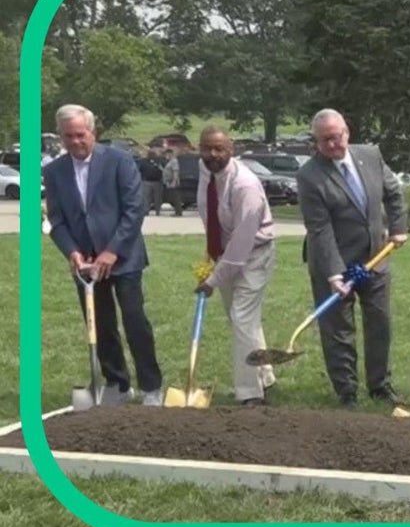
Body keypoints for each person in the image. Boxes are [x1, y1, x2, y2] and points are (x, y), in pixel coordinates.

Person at [43, 104, 165, 406]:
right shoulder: (54, 171)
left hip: (123, 258)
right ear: (61, 136)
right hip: (85, 263)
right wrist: (72, 252)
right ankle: (117, 384)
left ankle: (151, 386)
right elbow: (56, 219)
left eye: (80, 135)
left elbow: (135, 209)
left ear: (92, 132)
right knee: (100, 324)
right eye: (68, 136)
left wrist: (112, 251)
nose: (75, 141)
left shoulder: (119, 161)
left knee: (135, 320)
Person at [296, 108, 409, 409]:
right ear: (316, 142)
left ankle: (380, 386)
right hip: (333, 261)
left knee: (380, 323)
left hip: (375, 257)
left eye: (336, 137)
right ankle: (346, 390)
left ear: (346, 133)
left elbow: (393, 192)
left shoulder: (370, 155)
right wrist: (335, 273)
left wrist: (398, 228)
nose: (332, 144)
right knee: (338, 329)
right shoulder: (309, 176)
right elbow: (319, 228)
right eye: (324, 140)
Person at [194, 126, 278, 406]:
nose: (212, 154)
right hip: (225, 252)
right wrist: (210, 254)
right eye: (206, 148)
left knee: (242, 318)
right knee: (241, 320)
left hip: (255, 254)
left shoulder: (245, 185)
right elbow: (210, 215)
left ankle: (250, 393)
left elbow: (241, 245)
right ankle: (264, 374)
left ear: (232, 150)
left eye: (219, 148)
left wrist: (212, 281)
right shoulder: (206, 171)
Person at [162, 151, 183, 216]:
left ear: (170, 154)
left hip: (172, 181)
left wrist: (174, 181)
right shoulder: (170, 162)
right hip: (169, 181)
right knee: (173, 197)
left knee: (175, 197)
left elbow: (175, 171)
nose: (166, 156)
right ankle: (177, 211)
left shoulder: (174, 161)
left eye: (167, 154)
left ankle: (178, 212)